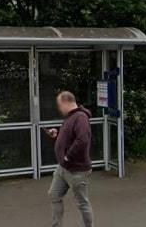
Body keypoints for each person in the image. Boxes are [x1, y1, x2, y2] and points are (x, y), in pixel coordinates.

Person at [46, 91, 94, 227]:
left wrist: (67, 156)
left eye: (59, 105)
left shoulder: (80, 117)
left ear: (66, 102)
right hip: (63, 168)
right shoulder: (70, 117)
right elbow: (69, 135)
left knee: (82, 203)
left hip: (77, 170)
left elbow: (83, 139)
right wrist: (57, 133)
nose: (59, 108)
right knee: (54, 194)